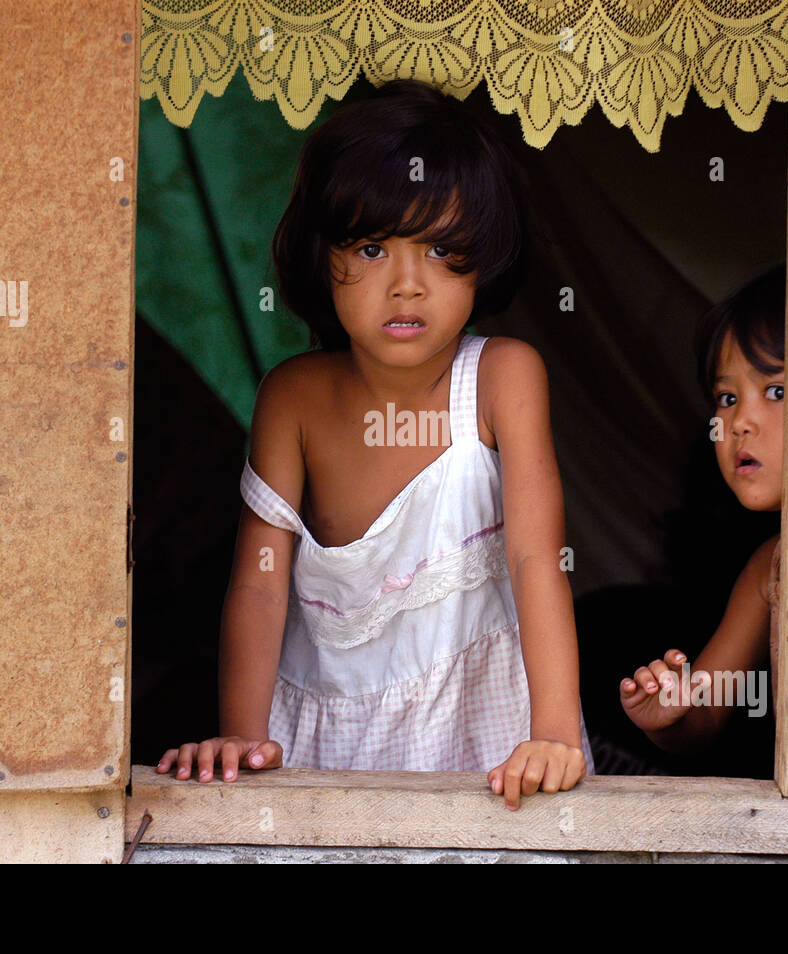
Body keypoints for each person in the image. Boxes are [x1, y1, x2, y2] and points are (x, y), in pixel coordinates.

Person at [157, 79, 594, 809]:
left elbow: (533, 558)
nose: (407, 285)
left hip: (487, 748)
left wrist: (553, 735)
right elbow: (261, 583)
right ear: (319, 255)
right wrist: (242, 737)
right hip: (316, 747)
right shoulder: (291, 399)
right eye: (370, 247)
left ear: (484, 257)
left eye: (442, 248)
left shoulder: (501, 378)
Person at [620, 265, 786, 754]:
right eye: (727, 397)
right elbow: (709, 712)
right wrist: (669, 716)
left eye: (775, 391)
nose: (740, 421)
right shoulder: (770, 563)